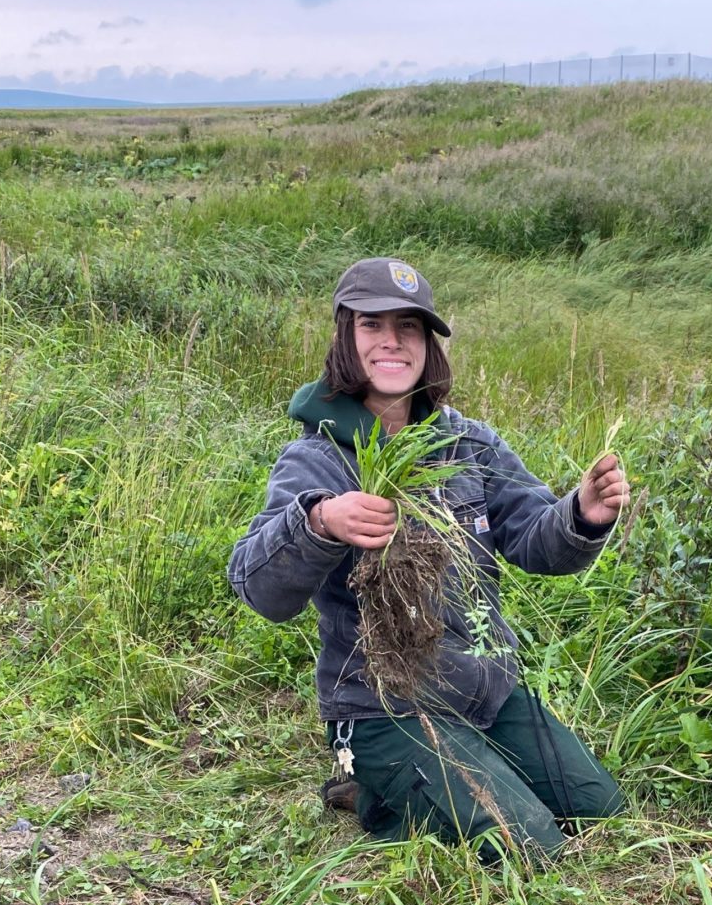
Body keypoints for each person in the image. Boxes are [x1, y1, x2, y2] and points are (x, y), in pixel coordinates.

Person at [228, 257, 628, 862]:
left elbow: (534, 538)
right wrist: (319, 522)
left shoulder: (469, 443)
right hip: (380, 704)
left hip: (480, 689)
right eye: (372, 325)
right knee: (527, 847)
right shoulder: (315, 460)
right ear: (346, 337)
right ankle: (376, 786)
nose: (392, 341)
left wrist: (584, 513)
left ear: (428, 345)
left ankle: (437, 772)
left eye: (409, 327)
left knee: (601, 814)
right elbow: (259, 588)